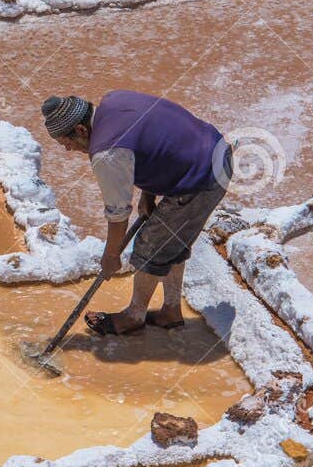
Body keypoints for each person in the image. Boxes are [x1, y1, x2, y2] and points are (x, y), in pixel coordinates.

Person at [40, 90, 232, 335]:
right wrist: (149, 194)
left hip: (203, 176)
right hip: (215, 150)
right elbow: (152, 142)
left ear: (80, 130)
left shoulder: (107, 152)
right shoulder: (114, 100)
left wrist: (111, 256)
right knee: (170, 240)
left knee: (149, 246)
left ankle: (133, 317)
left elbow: (118, 213)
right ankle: (170, 311)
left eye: (66, 143)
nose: (67, 149)